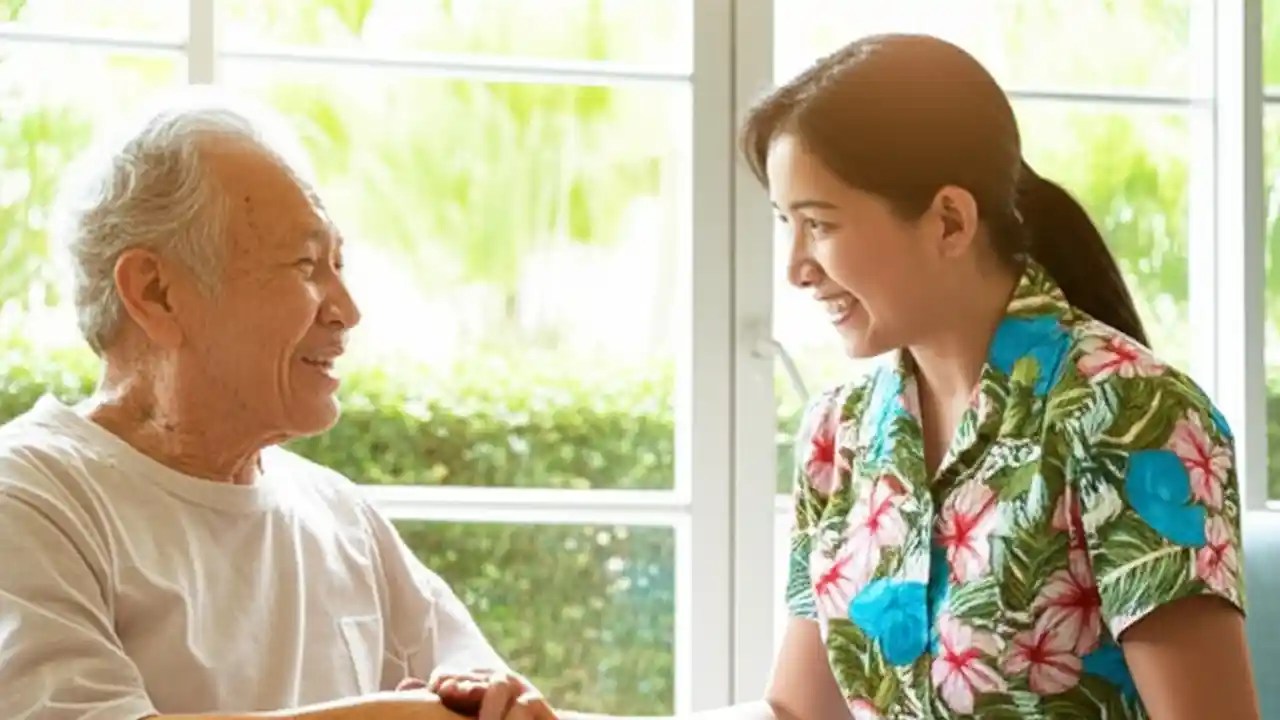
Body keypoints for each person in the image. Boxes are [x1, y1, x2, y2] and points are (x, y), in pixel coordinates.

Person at [427, 32, 1263, 720]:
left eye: (819, 225)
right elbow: (797, 716)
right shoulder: (841, 434)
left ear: (948, 219)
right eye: (785, 224)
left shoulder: (1131, 412)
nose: (794, 267)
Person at [0, 92, 551, 720]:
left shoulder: (343, 516)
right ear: (156, 293)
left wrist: (492, 701)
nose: (346, 309)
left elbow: (483, 691)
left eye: (338, 264)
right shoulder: (29, 498)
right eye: (307, 264)